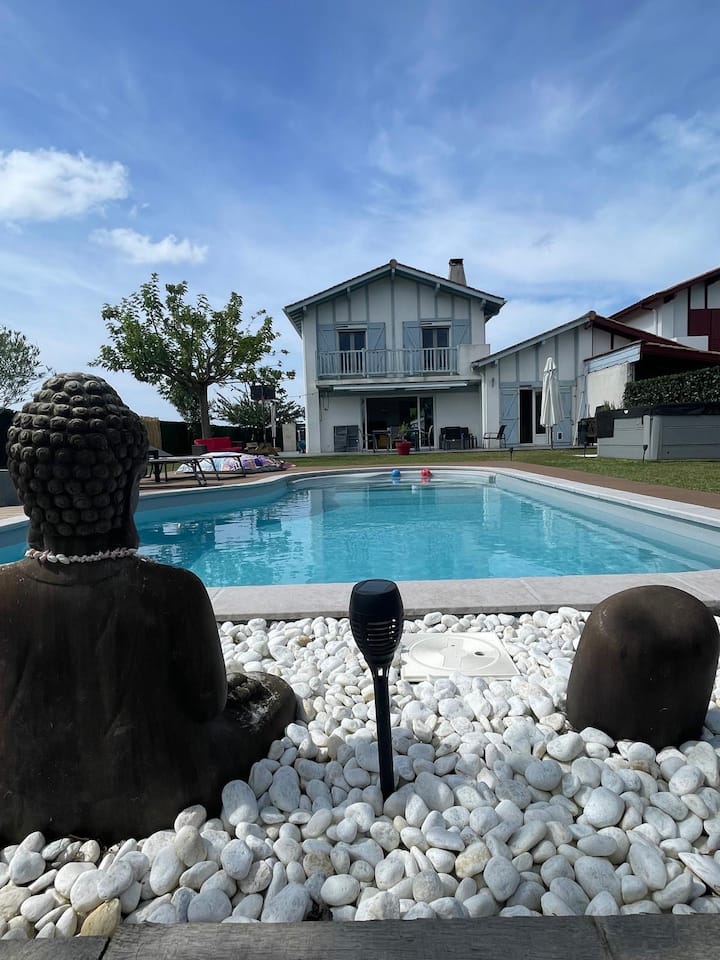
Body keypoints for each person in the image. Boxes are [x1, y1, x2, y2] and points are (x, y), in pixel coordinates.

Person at [0, 373, 295, 842]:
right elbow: (208, 703)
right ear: (126, 488)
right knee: (273, 692)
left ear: (25, 487)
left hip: (17, 801)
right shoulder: (173, 590)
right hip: (162, 788)